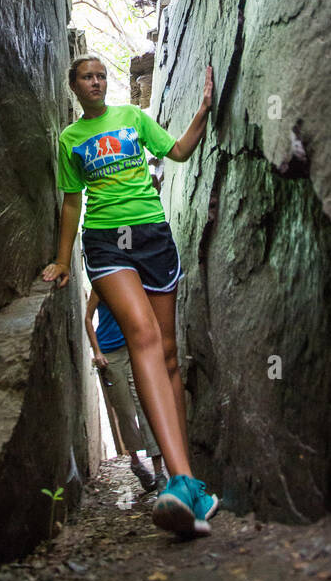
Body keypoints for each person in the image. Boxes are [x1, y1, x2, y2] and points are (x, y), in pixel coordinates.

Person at [41, 53, 219, 537]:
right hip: (105, 240)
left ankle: (191, 483)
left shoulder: (134, 118)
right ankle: (179, 482)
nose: (96, 82)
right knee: (141, 335)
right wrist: (61, 259)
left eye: (101, 75)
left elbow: (177, 153)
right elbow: (72, 202)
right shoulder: (70, 140)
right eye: (86, 77)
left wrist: (202, 112)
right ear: (74, 87)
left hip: (152, 235)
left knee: (167, 355)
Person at [85, 288, 164, 491]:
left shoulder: (132, 277)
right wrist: (97, 351)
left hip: (133, 349)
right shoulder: (100, 286)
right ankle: (136, 461)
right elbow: (88, 318)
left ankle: (159, 472)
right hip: (110, 356)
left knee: (145, 406)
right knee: (125, 411)